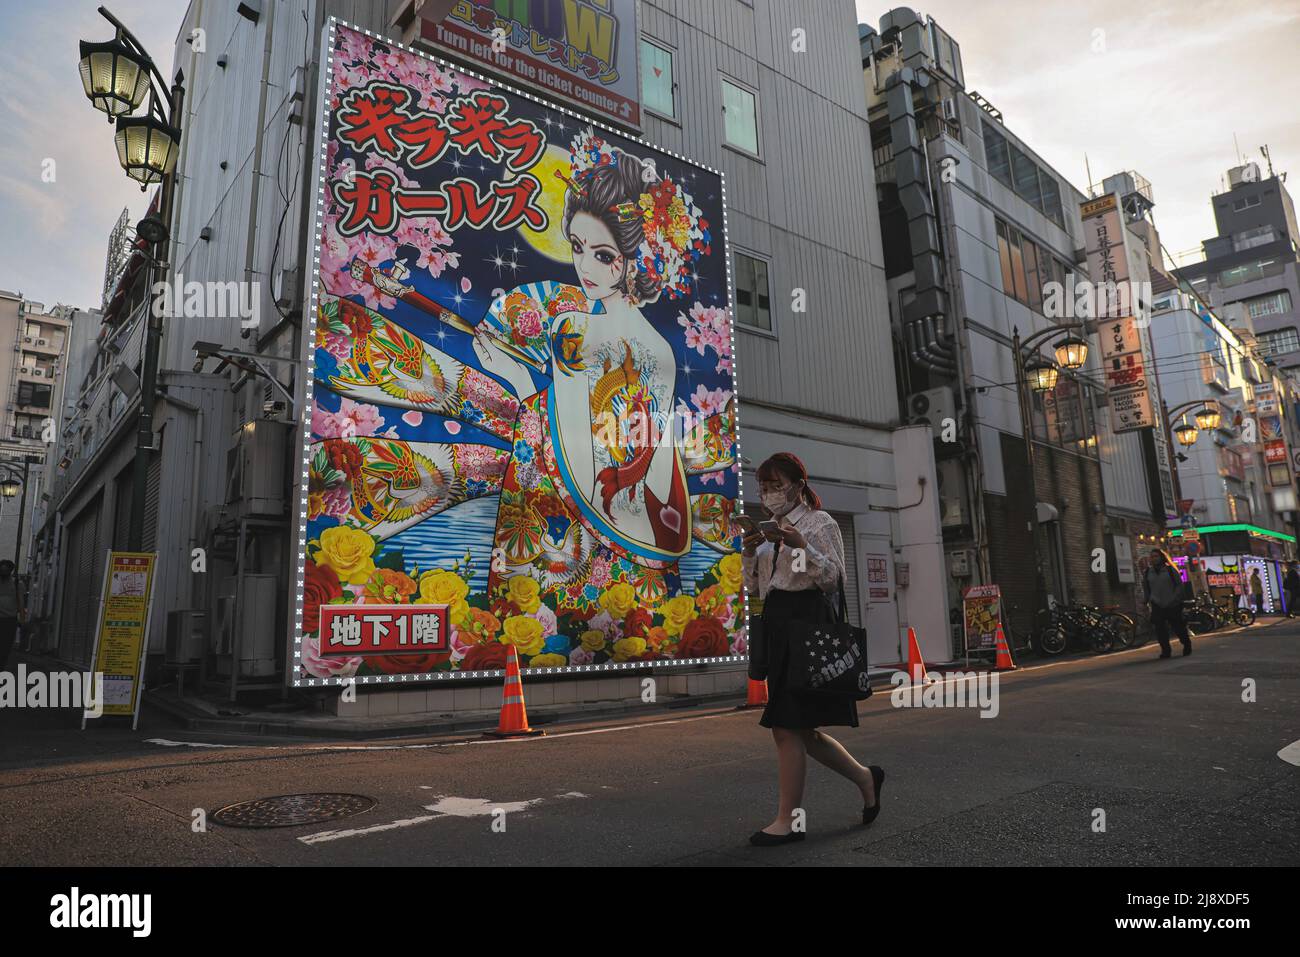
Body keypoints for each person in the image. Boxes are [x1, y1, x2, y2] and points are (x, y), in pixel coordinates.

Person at [741, 452, 883, 846]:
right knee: (801, 731)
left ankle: (789, 821)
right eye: (763, 487)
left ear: (799, 486)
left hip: (805, 625)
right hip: (777, 626)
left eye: (775, 486)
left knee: (786, 727)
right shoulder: (773, 531)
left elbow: (833, 579)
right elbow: (757, 589)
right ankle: (866, 778)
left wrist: (801, 546)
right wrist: (751, 551)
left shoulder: (820, 524)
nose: (768, 494)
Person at [1142, 548, 1191, 658]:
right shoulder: (1148, 572)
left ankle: (1186, 644)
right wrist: (1146, 600)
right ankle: (1165, 651)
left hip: (1172, 603)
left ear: (1162, 557)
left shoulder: (1170, 570)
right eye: (1152, 557)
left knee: (1178, 627)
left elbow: (1179, 585)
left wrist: (1175, 598)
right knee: (1160, 629)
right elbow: (1146, 588)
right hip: (1157, 604)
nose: (1154, 559)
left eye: (1156, 556)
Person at [0, 560, 24, 669]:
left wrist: (22, 621)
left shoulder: (17, 583)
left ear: (10, 570)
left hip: (9, 620)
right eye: (1, 570)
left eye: (6, 570)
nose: (3, 572)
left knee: (5, 647)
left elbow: (21, 603)